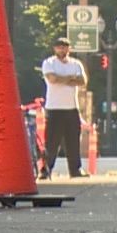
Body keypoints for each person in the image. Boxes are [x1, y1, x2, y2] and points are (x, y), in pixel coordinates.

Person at [38, 37, 87, 179]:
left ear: (69, 49)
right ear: (54, 49)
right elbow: (52, 79)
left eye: (65, 47)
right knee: (52, 142)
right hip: (54, 108)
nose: (62, 49)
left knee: (73, 141)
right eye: (59, 47)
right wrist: (70, 79)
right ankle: (46, 170)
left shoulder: (76, 64)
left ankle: (75, 170)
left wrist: (62, 79)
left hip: (72, 108)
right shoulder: (49, 63)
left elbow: (82, 81)